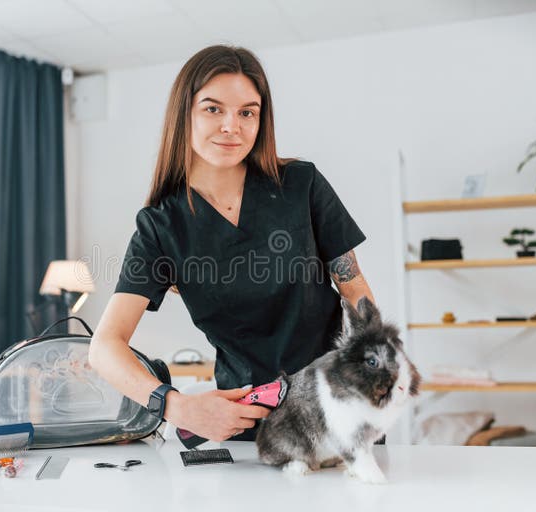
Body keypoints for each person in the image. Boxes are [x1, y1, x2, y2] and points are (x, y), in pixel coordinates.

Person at [88, 45, 376, 443]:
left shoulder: (301, 185)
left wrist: (376, 355)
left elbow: (353, 284)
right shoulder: (161, 226)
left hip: (341, 407)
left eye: (247, 112)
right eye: (213, 109)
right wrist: (177, 406)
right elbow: (104, 347)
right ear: (184, 114)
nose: (231, 126)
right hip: (249, 426)